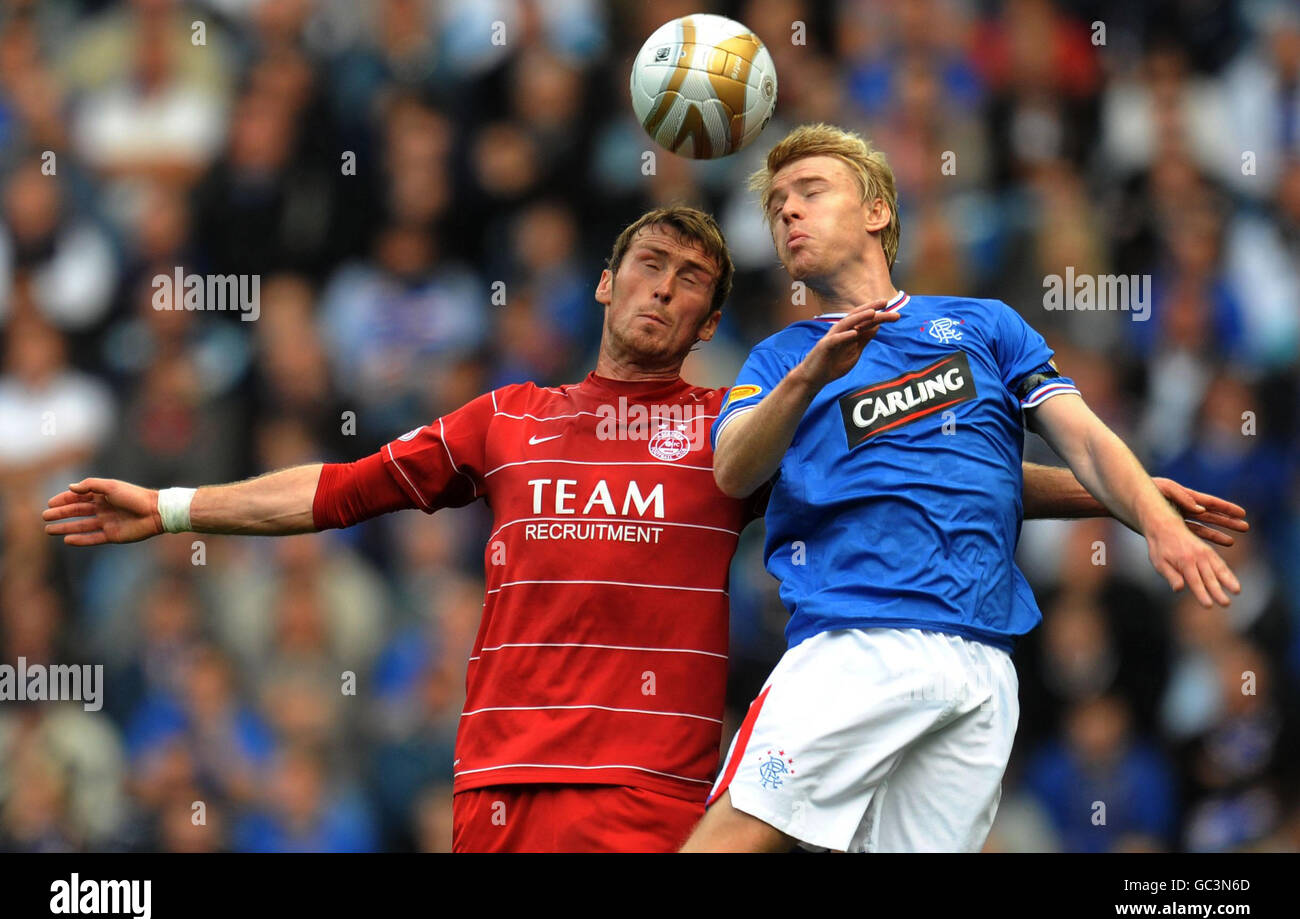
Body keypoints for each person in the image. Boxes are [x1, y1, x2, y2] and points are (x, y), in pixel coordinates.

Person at [44, 207, 1244, 853]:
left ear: (707, 319)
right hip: (501, 782)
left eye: (694, 285)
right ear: (607, 285)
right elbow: (342, 486)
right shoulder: (506, 418)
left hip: (648, 792)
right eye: (651, 268)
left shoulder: (736, 430)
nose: (668, 292)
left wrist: (1125, 498)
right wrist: (170, 506)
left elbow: (936, 477)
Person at [680, 125, 1245, 854]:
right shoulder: (783, 356)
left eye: (810, 191)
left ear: (877, 210)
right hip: (858, 637)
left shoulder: (985, 326)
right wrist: (809, 376)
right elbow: (733, 469)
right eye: (778, 204)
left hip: (981, 664)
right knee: (743, 829)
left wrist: (1140, 505)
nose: (788, 211)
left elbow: (1075, 443)